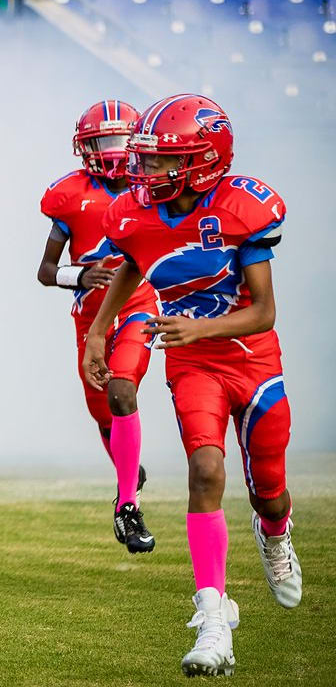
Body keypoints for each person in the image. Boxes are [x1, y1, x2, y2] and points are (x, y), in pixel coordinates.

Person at [84, 94, 301, 677]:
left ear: (202, 161)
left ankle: (275, 534)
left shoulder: (240, 208)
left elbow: (264, 312)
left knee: (269, 491)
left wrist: (198, 325)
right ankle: (213, 617)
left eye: (160, 160)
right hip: (191, 361)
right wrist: (99, 331)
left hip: (252, 360)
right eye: (147, 158)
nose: (145, 169)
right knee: (205, 471)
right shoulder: (135, 213)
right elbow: (134, 262)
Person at [36, 100, 159, 553]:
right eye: (103, 141)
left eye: (120, 139)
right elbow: (46, 271)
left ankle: (128, 505)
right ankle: (129, 474)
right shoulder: (69, 196)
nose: (112, 150)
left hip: (138, 305)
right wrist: (80, 275)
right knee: (105, 412)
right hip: (89, 317)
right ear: (85, 147)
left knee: (122, 389)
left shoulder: (153, 189)